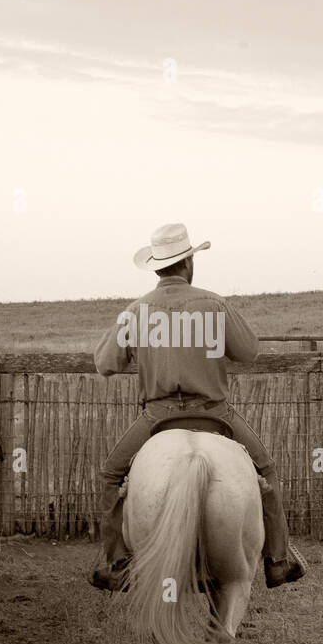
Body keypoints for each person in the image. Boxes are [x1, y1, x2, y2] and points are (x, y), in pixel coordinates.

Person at [89, 221, 307, 592]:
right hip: (215, 412)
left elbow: (104, 363)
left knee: (112, 475)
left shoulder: (136, 311)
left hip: (158, 415)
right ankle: (276, 559)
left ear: (157, 267)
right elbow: (249, 352)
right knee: (266, 471)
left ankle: (117, 561)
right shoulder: (213, 303)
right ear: (188, 263)